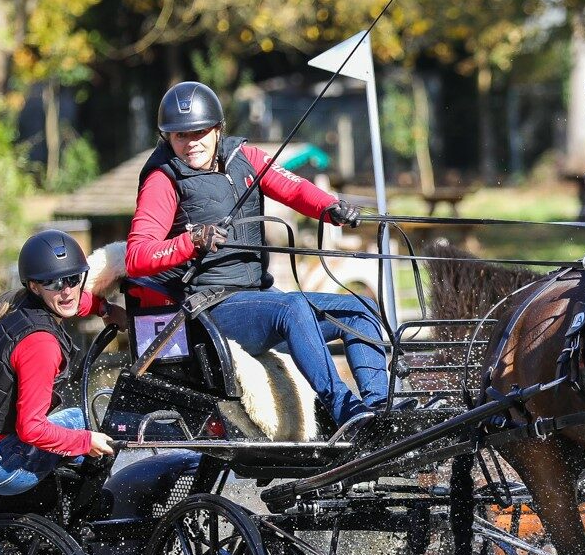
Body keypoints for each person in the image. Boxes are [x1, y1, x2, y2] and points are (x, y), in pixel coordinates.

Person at [125, 81, 388, 430]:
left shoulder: (245, 158)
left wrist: (331, 207)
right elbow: (136, 256)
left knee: (359, 311)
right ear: (167, 138)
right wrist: (191, 241)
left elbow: (293, 187)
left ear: (218, 128)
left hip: (259, 300)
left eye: (199, 132)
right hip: (212, 309)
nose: (190, 144)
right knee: (292, 308)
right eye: (179, 137)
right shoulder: (163, 180)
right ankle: (346, 411)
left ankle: (379, 411)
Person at [0, 231, 192, 494]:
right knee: (82, 421)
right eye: (53, 283)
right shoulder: (41, 344)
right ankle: (84, 510)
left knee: (72, 430)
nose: (66, 291)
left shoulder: (16, 305)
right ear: (34, 286)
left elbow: (73, 301)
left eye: (73, 279)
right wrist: (86, 441)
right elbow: (31, 428)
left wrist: (106, 310)